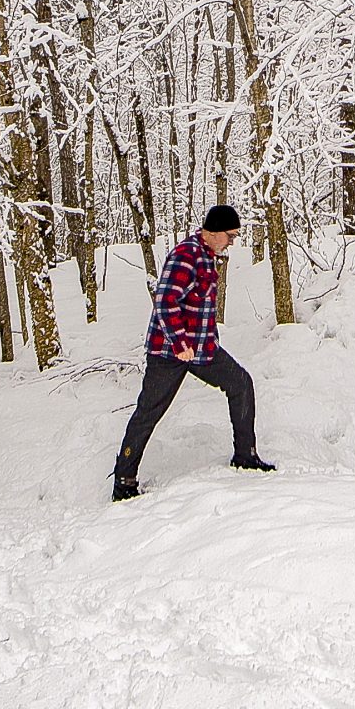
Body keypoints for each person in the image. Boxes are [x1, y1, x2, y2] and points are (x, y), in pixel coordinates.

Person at [112, 205, 274, 501]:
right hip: (169, 353)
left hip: (202, 350)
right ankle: (124, 481)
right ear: (212, 231)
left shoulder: (207, 255)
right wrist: (179, 342)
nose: (232, 242)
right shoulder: (186, 255)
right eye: (230, 235)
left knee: (241, 383)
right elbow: (165, 301)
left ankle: (245, 457)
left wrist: (204, 341)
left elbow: (199, 307)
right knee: (149, 412)